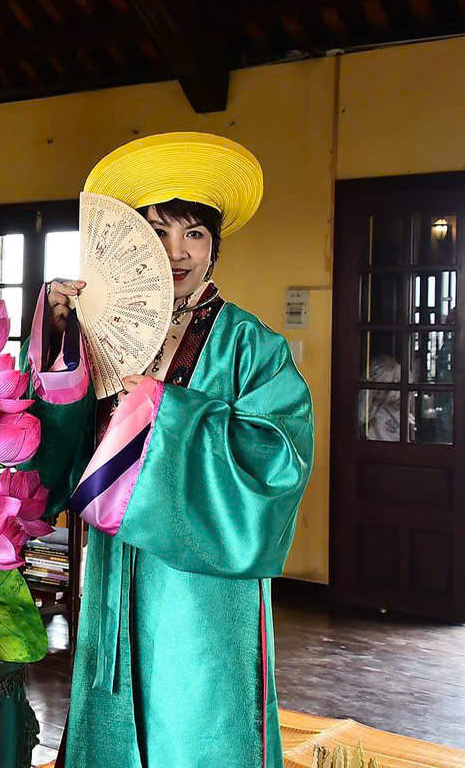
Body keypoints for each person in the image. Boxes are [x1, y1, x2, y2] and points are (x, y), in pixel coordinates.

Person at [22, 132, 314, 767]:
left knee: (196, 711)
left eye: (194, 236)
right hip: (110, 557)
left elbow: (279, 457)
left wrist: (165, 412)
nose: (175, 253)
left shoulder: (251, 345)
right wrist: (62, 348)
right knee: (112, 710)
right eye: (155, 233)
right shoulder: (103, 330)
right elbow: (57, 445)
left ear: (215, 247)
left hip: (201, 574)